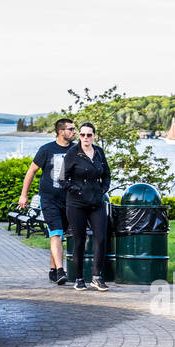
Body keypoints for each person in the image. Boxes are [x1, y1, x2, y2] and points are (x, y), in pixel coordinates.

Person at [19, 118, 75, 285]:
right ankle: (60, 271)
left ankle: (52, 269)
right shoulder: (46, 150)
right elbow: (31, 172)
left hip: (69, 200)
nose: (74, 132)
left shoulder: (76, 149)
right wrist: (24, 195)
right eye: (70, 129)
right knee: (56, 233)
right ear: (60, 132)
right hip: (49, 199)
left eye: (74, 129)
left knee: (57, 235)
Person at [62, 122, 112, 292]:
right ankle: (79, 278)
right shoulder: (72, 153)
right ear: (79, 136)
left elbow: (106, 174)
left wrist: (104, 188)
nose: (85, 138)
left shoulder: (99, 152)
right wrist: (77, 190)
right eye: (82, 135)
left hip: (96, 201)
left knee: (101, 238)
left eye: (89, 135)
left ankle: (97, 277)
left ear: (94, 136)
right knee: (79, 240)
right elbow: (63, 179)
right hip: (76, 203)